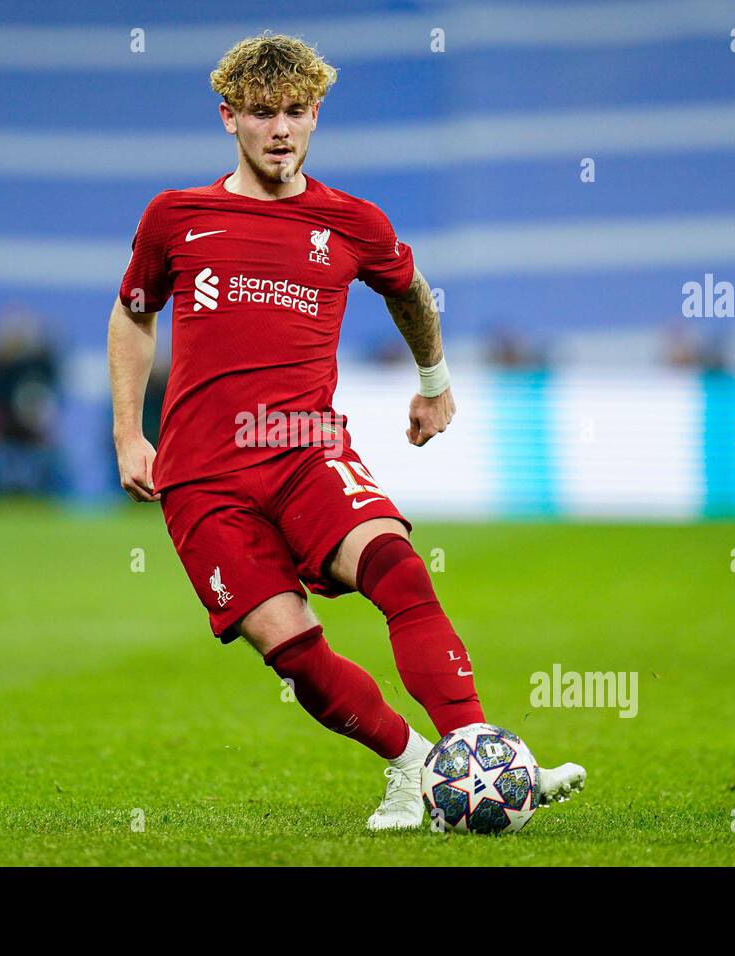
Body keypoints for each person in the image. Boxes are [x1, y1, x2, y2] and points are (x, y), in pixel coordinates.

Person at [107, 33, 584, 829]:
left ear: (317, 116)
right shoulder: (175, 218)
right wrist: (129, 434)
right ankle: (413, 768)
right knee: (289, 646)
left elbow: (410, 289)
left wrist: (434, 382)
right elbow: (133, 315)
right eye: (263, 114)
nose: (281, 129)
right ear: (230, 119)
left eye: (296, 111)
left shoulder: (351, 222)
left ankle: (482, 755)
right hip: (203, 477)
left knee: (397, 568)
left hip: (306, 450)